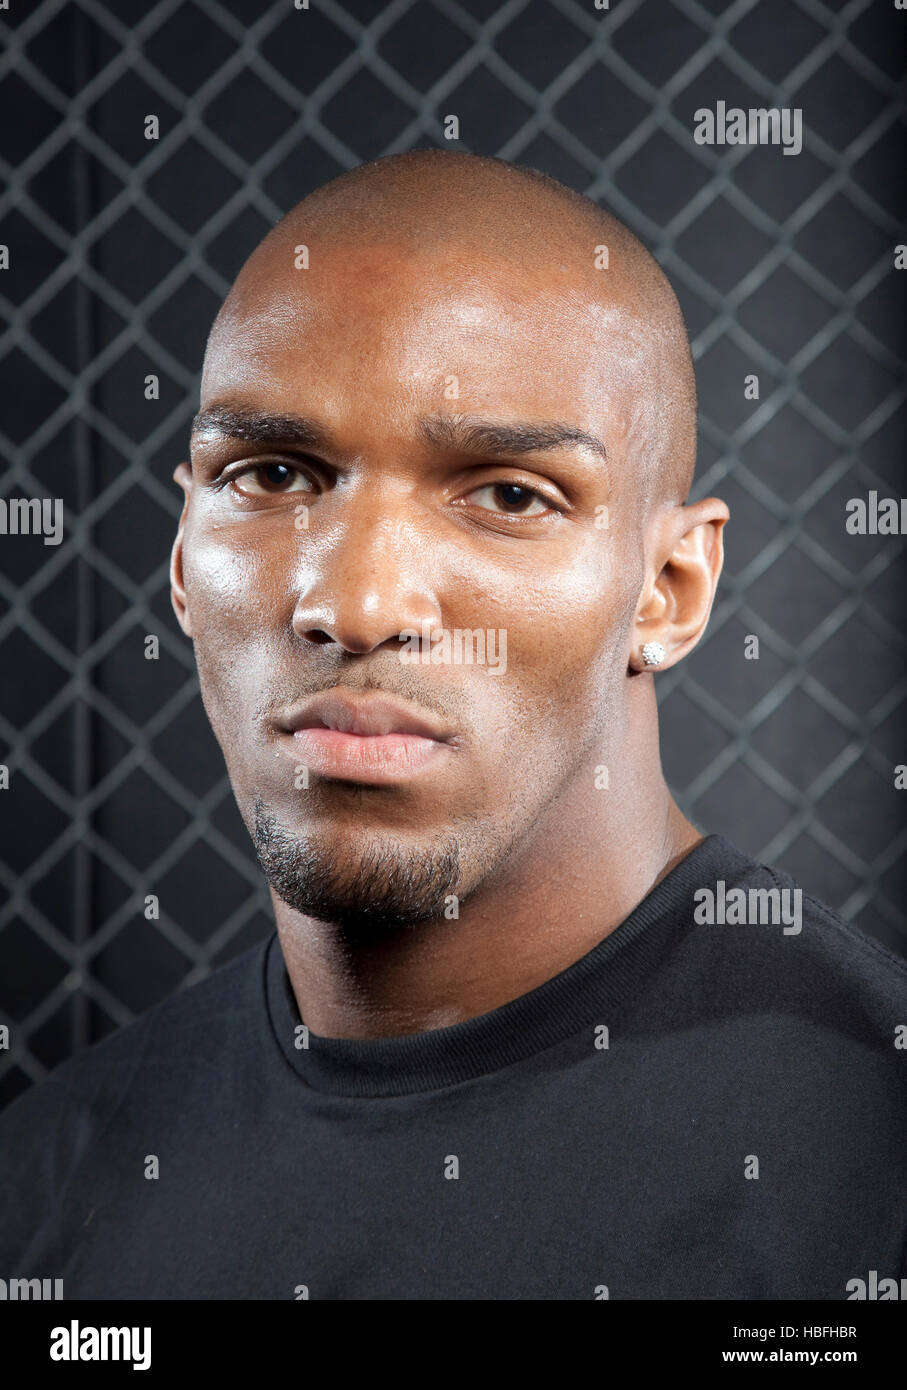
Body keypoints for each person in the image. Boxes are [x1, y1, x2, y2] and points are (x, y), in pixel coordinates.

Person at [1, 151, 904, 1300]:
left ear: (668, 590)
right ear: (184, 563)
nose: (357, 605)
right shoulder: (45, 1189)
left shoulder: (872, 1163)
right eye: (273, 473)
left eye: (509, 494)